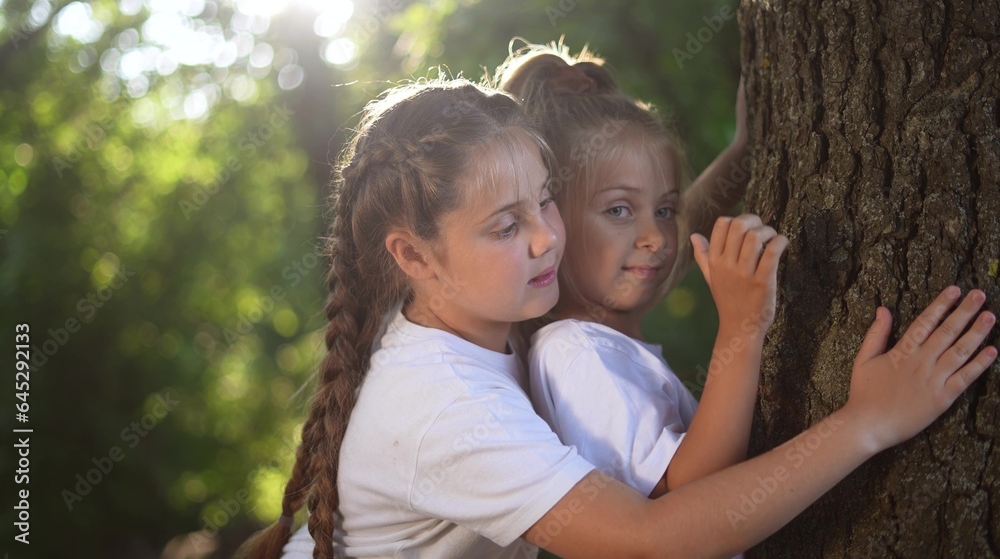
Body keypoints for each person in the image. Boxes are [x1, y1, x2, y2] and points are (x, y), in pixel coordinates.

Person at [239, 76, 996, 559]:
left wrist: (738, 157)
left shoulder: (482, 304)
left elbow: (620, 251)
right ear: (414, 255)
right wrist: (867, 422)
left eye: (543, 198)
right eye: (506, 226)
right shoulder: (445, 407)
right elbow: (653, 538)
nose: (545, 235)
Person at [499, 42, 785, 499]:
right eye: (617, 209)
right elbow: (687, 498)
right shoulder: (578, 353)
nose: (656, 236)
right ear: (551, 227)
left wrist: (745, 151)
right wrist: (743, 328)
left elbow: (683, 232)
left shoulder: (601, 330)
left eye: (665, 209)